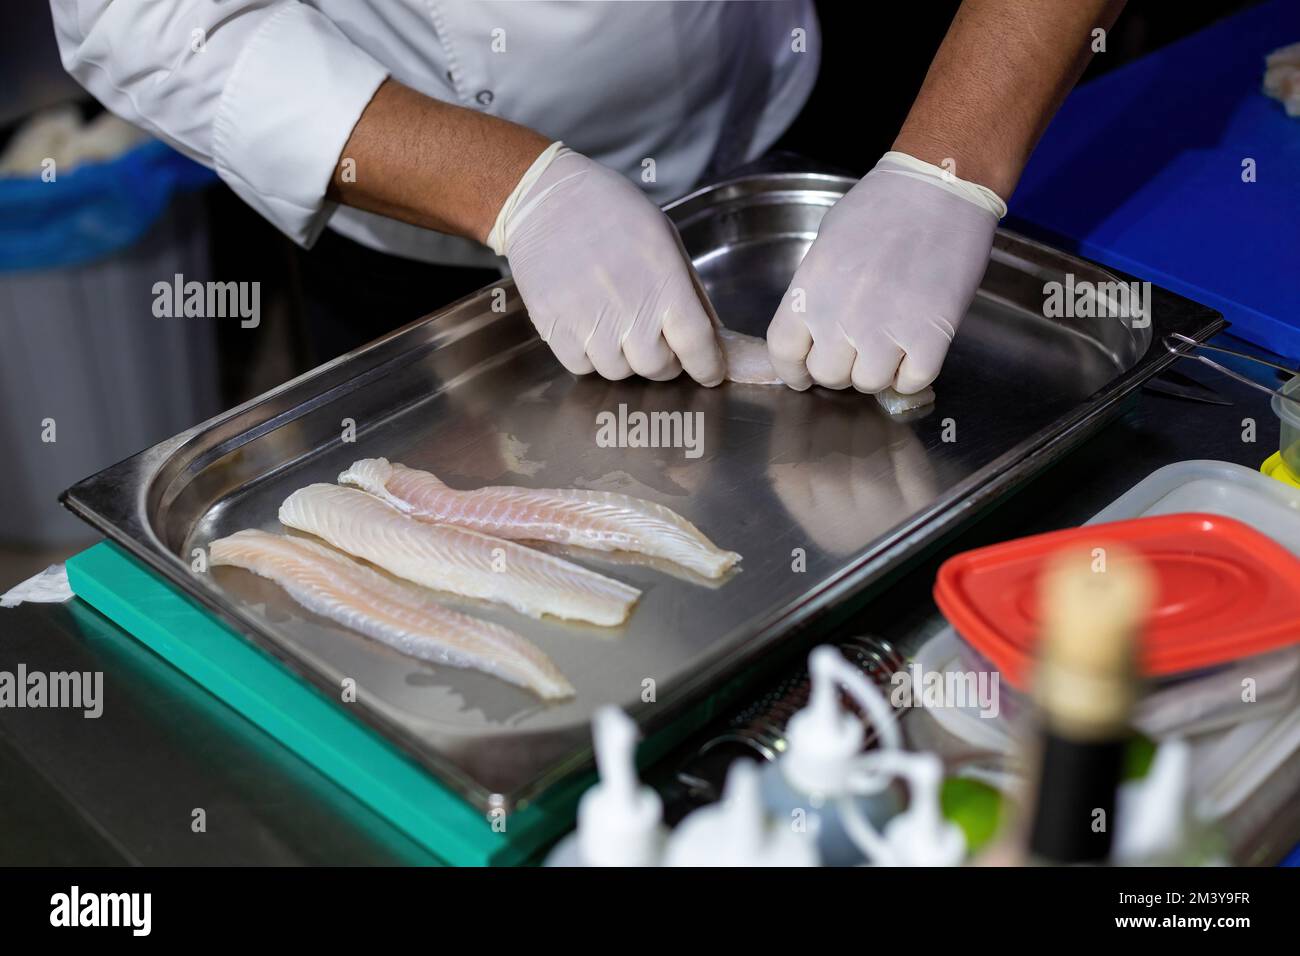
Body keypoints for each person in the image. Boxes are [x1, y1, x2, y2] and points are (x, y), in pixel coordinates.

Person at [52, 0, 1122, 393]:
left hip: (767, 109)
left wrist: (945, 169)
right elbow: (133, 16)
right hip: (407, 217)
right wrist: (518, 193)